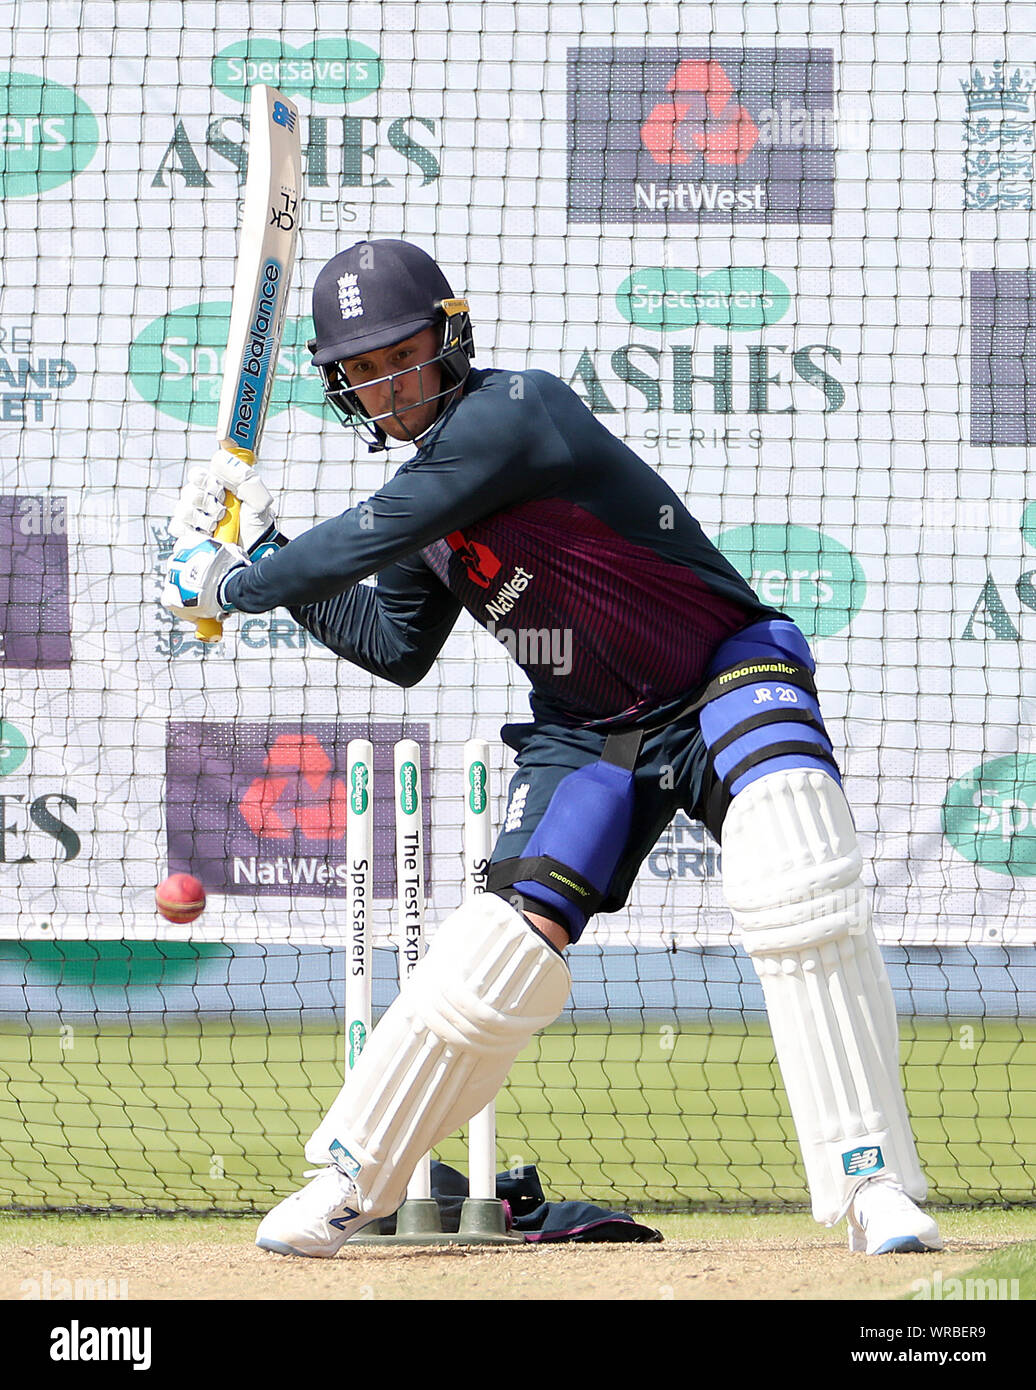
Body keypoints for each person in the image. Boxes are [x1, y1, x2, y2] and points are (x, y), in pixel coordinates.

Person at [163, 239, 942, 1258]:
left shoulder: (514, 413)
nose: (384, 383)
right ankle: (351, 1179)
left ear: (448, 339)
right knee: (498, 947)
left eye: (400, 355)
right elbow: (391, 646)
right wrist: (262, 557)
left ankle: (869, 1180)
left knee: (796, 875)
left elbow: (360, 534)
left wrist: (234, 579)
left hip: (718, 670)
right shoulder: (428, 515)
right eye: (358, 369)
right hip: (591, 732)